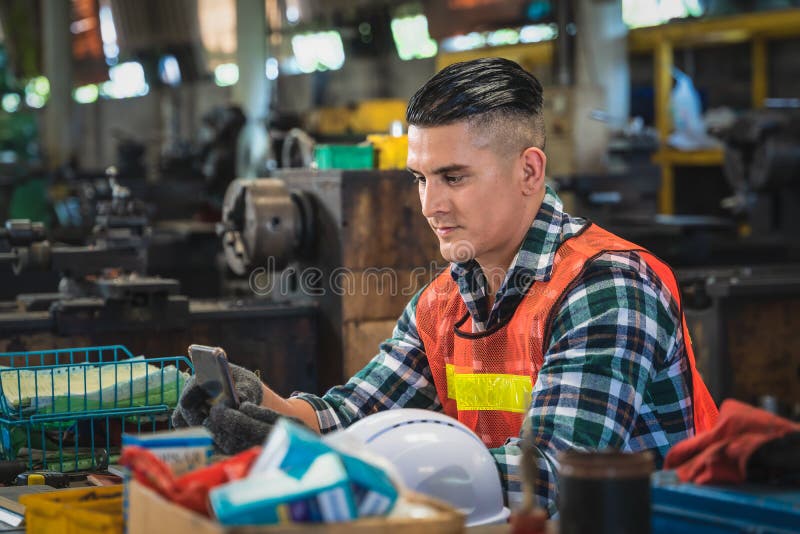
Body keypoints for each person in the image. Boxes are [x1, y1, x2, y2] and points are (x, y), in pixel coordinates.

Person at [173, 57, 719, 515]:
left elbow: (550, 478)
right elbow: (356, 412)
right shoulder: (442, 302)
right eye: (420, 178)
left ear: (530, 172)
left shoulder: (607, 287)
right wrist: (264, 411)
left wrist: (337, 468)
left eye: (454, 177)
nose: (431, 205)